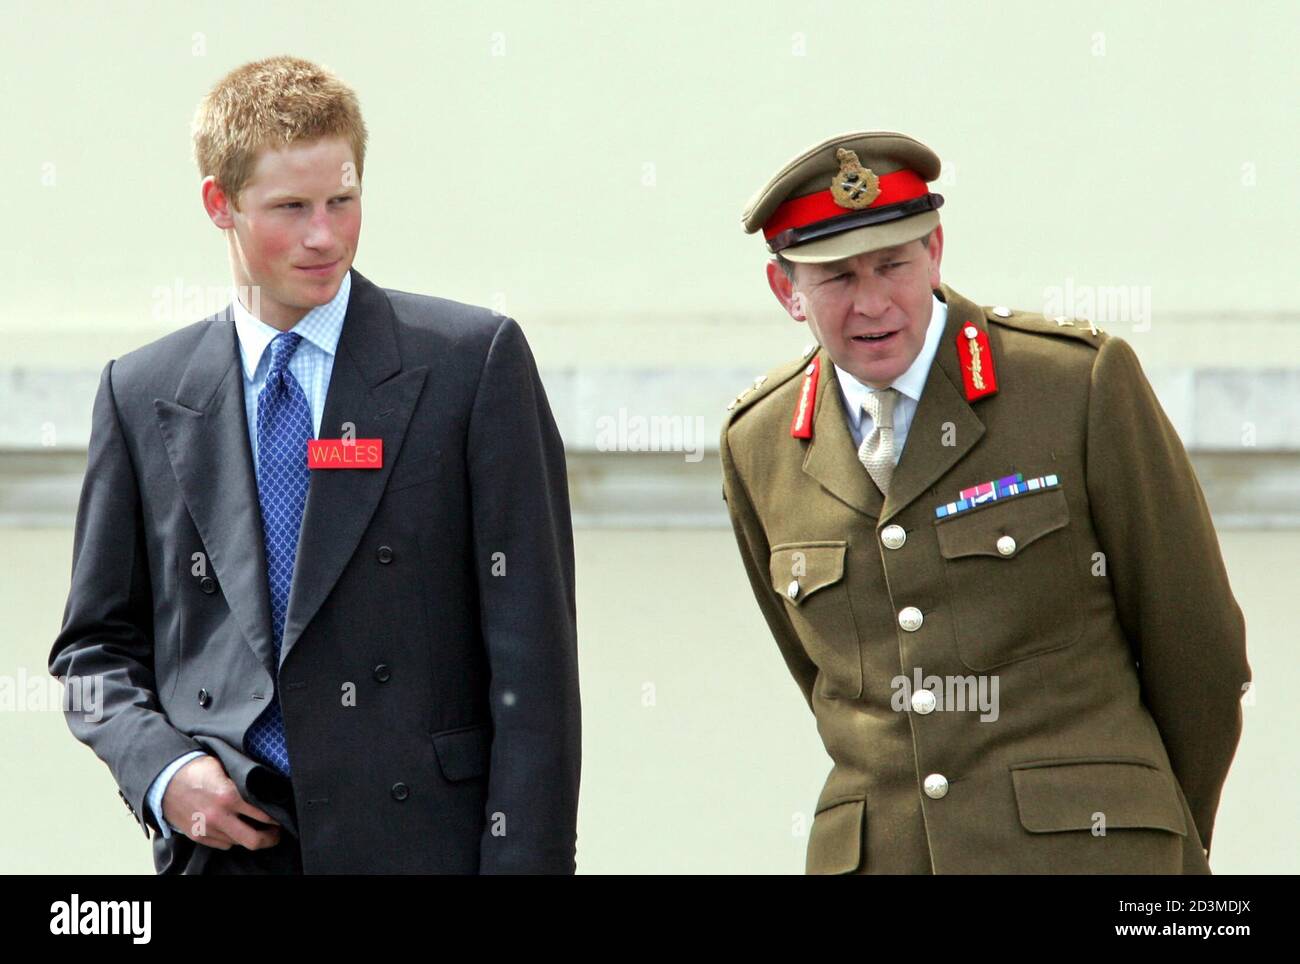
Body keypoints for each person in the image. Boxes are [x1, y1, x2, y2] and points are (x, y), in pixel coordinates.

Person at [48, 55, 580, 874]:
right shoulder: (140, 392)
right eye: (289, 208)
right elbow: (92, 656)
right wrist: (162, 771)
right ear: (218, 204)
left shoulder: (473, 364)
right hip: (225, 855)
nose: (323, 235)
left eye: (343, 200)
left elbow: (535, 665)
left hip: (422, 850)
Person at [719, 130, 1250, 874]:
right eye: (836, 278)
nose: (872, 303)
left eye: (893, 265)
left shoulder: (1074, 386)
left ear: (935, 250)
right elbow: (823, 684)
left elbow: (1200, 651)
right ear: (787, 293)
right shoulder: (761, 440)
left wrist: (1156, 835)